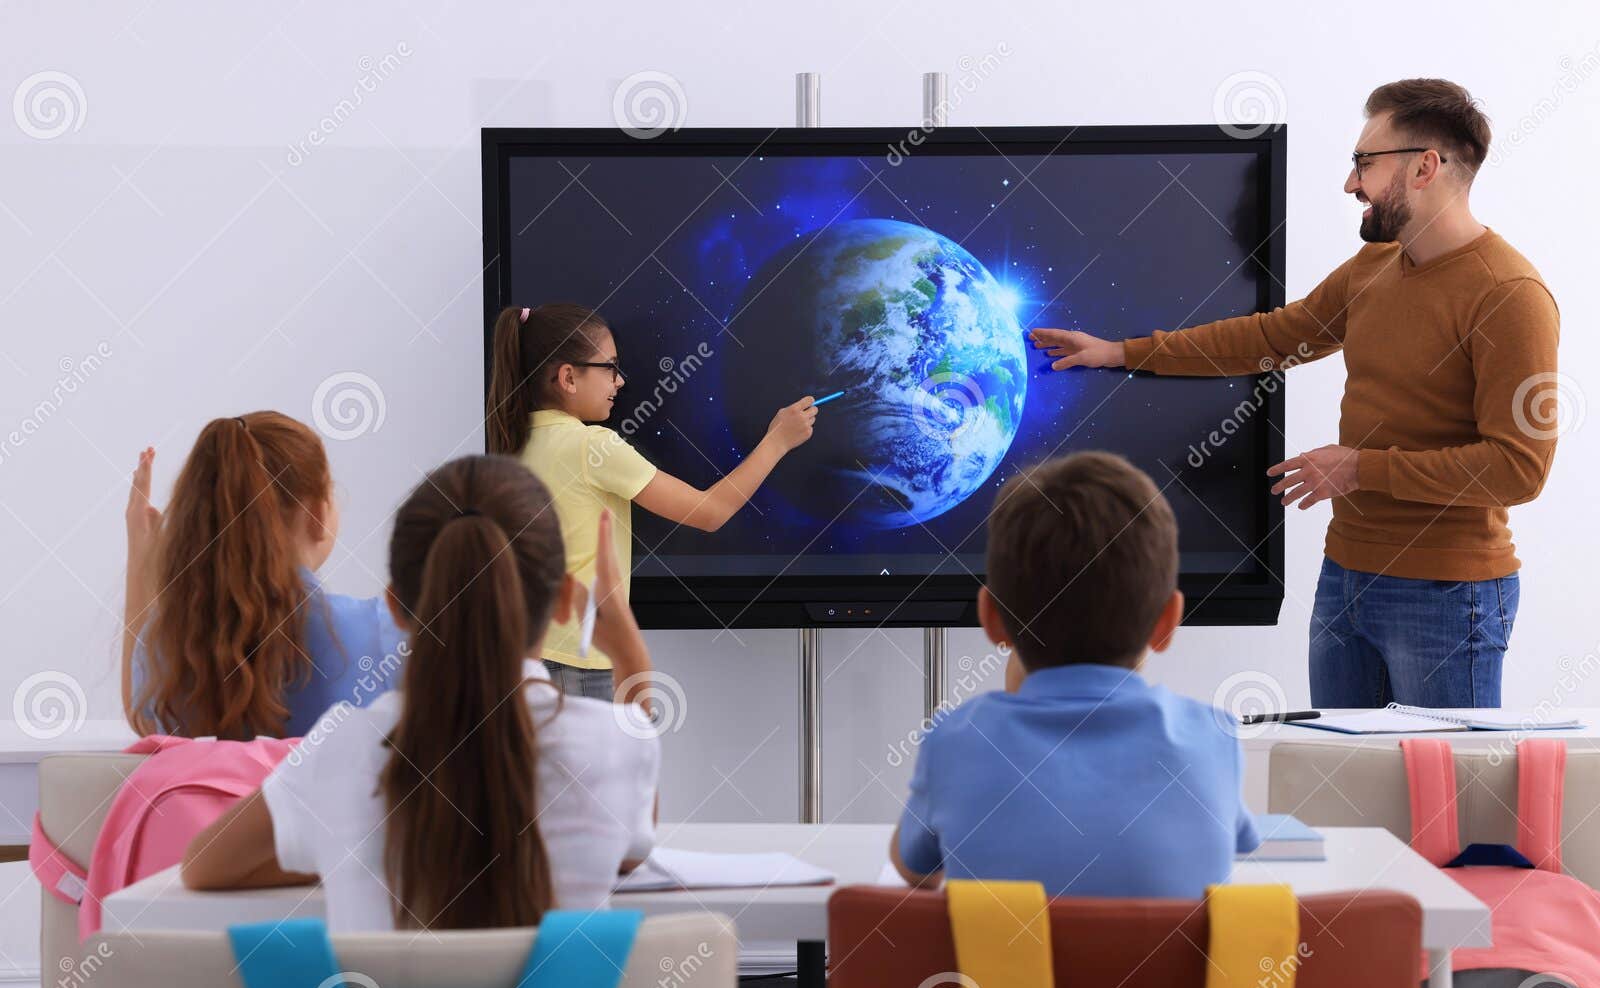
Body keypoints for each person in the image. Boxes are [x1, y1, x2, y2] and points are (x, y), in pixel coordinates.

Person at [1030, 79, 1559, 709]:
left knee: (1440, 776)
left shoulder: (1510, 296)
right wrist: (1120, 352)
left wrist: (1361, 469)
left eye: (1365, 162)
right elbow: (1273, 338)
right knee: (1335, 769)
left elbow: (1518, 469)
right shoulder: (1373, 268)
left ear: (1424, 167)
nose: (1350, 183)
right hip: (1345, 581)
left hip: (1449, 597)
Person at [181, 455, 659, 931]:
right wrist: (631, 659)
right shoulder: (615, 744)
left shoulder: (343, 744)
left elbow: (204, 866)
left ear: (394, 605)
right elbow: (632, 851)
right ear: (563, 601)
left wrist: (344, 852)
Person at [891, 451, 1259, 897]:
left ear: (991, 618)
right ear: (1168, 621)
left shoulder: (956, 741)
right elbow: (1239, 846)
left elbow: (916, 872)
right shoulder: (1212, 738)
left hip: (1009, 949)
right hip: (1165, 949)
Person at [485, 303, 816, 698]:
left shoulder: (512, 443)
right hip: (578, 661)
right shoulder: (593, 447)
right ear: (568, 377)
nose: (620, 381)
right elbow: (709, 512)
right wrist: (777, 441)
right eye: (610, 367)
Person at [123, 412, 405, 740]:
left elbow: (147, 722)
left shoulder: (166, 645)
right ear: (317, 513)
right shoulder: (381, 631)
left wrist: (141, 560)